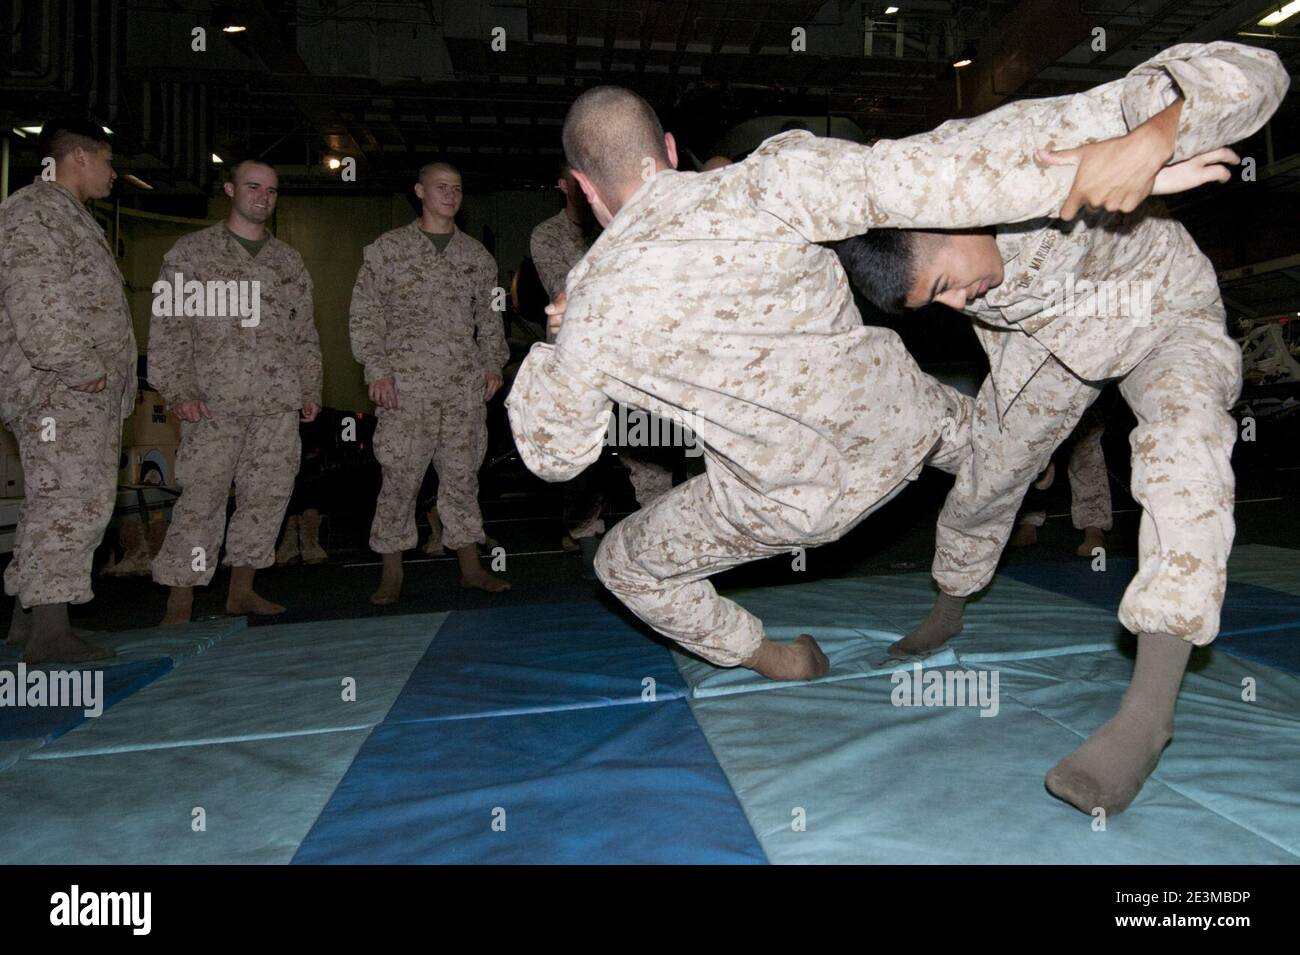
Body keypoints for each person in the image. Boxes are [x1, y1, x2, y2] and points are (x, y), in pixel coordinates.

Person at [507, 83, 1192, 682]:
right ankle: (1009, 458)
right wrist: (1099, 171)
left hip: (793, 502)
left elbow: (554, 455)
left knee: (624, 566)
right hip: (901, 422)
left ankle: (774, 657)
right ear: (668, 143)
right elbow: (922, 178)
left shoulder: (594, 302)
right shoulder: (771, 176)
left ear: (583, 187)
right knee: (955, 419)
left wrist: (559, 339)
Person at [836, 41, 1287, 815]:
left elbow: (1257, 73)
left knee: (1185, 447)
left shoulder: (1024, 147)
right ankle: (950, 599)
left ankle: (1147, 715)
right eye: (932, 304)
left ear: (956, 214)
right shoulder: (899, 209)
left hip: (1158, 308)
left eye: (946, 285)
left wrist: (1153, 139)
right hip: (1046, 347)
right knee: (990, 473)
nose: (954, 304)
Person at [149, 159, 321, 624]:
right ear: (230, 189)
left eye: (272, 189)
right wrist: (179, 389)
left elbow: (304, 332)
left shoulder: (288, 261)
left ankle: (241, 591)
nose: (264, 197)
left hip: (277, 402)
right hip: (212, 403)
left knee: (266, 497)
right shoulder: (191, 254)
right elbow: (168, 330)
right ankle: (180, 601)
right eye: (253, 187)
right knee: (202, 500)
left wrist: (310, 386)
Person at [0, 117, 136, 663]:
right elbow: (37, 298)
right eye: (107, 160)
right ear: (79, 157)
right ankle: (51, 632)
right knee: (71, 502)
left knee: (59, 500)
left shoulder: (70, 217)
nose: (113, 172)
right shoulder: (34, 213)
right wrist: (77, 365)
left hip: (78, 389)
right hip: (59, 389)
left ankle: (26, 622)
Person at [350, 162, 510, 604]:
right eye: (441, 187)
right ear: (420, 191)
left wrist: (493, 364)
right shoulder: (387, 250)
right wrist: (376, 370)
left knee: (461, 478)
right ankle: (391, 573)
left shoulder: (477, 256)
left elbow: (490, 318)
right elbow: (366, 315)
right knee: (400, 477)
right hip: (406, 388)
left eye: (457, 188)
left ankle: (471, 569)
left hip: (463, 387)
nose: (450, 195)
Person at [530, 161, 673, 573]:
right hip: (580, 364)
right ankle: (585, 537)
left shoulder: (622, 225)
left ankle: (662, 541)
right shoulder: (549, 235)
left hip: (633, 362)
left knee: (650, 453)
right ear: (562, 185)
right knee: (583, 461)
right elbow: (569, 289)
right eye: (574, 181)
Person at [1010, 403, 1110, 556]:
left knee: (1086, 451)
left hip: (1083, 389)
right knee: (1034, 451)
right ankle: (1028, 520)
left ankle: (1094, 528)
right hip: (1039, 392)